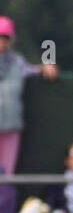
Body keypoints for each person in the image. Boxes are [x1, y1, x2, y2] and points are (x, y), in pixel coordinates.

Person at [0, 15, 59, 187]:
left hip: (11, 126)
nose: (2, 43)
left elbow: (32, 71)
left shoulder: (17, 62)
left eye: (5, 39)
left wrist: (46, 66)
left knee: (6, 174)